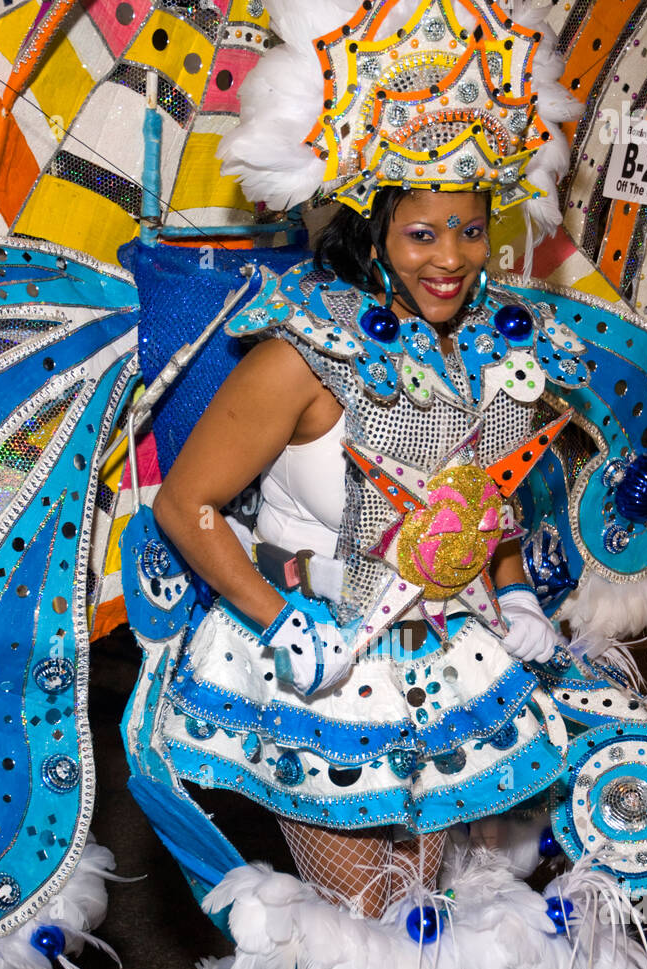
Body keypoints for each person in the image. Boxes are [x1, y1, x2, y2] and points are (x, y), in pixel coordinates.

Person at [152, 183, 562, 930]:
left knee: (419, 912)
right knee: (363, 924)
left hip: (437, 655)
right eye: (421, 235)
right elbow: (185, 506)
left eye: (470, 232)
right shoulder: (302, 357)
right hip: (316, 659)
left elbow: (479, 503)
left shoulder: (497, 350)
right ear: (374, 237)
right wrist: (284, 626)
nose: (450, 258)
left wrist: (518, 590)